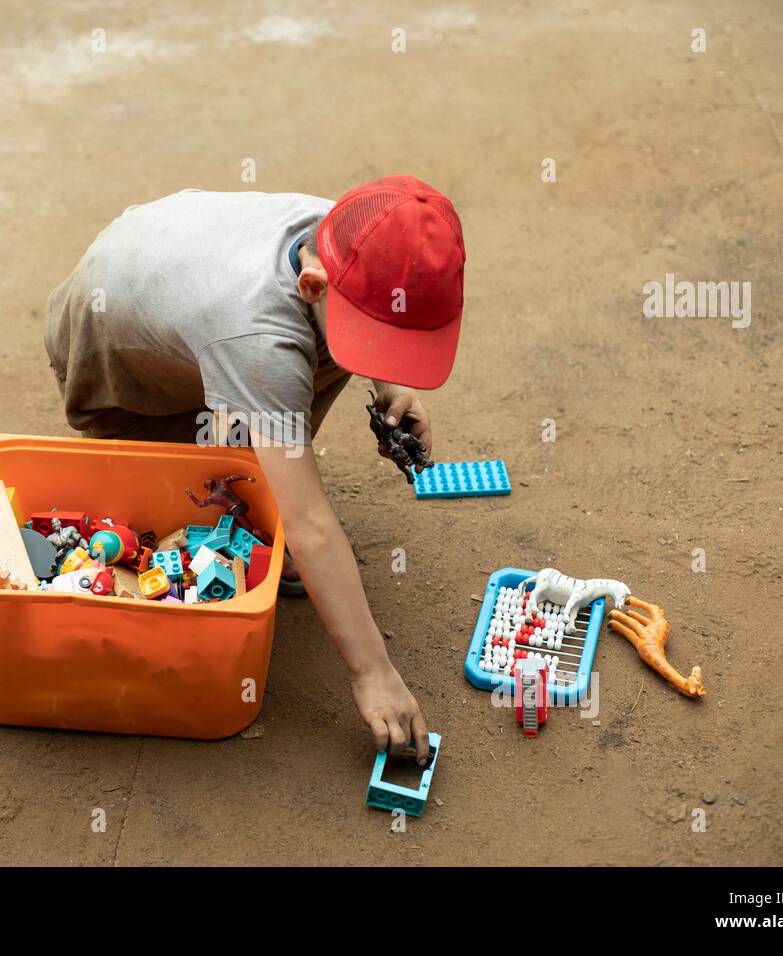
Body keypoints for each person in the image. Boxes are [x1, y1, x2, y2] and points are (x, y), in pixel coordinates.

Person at [44, 176, 466, 762]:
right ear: (312, 286)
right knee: (216, 492)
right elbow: (311, 522)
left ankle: (259, 428)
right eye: (382, 339)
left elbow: (370, 296)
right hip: (111, 361)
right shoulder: (258, 338)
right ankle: (233, 445)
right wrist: (373, 672)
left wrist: (388, 379)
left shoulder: (347, 227)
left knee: (310, 360)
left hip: (164, 268)